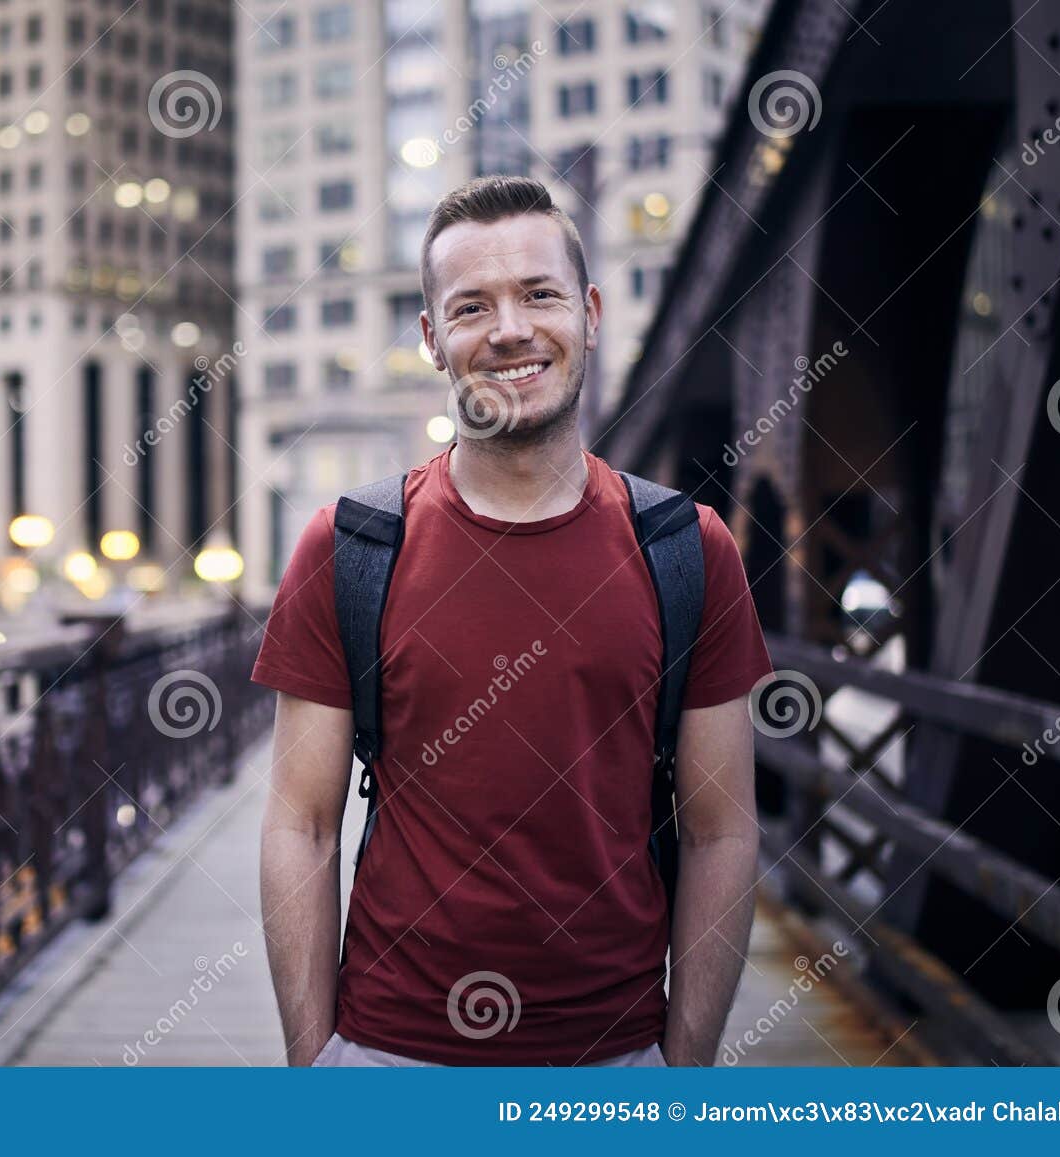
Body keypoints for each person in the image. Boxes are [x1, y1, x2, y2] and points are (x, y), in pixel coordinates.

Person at [253, 175, 772, 1067]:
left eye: (540, 294)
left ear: (592, 312)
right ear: (432, 338)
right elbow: (300, 822)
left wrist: (685, 1071)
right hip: (389, 1059)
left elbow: (720, 828)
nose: (510, 330)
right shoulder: (348, 548)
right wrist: (316, 1068)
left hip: (617, 1062)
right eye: (471, 306)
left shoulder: (690, 550)